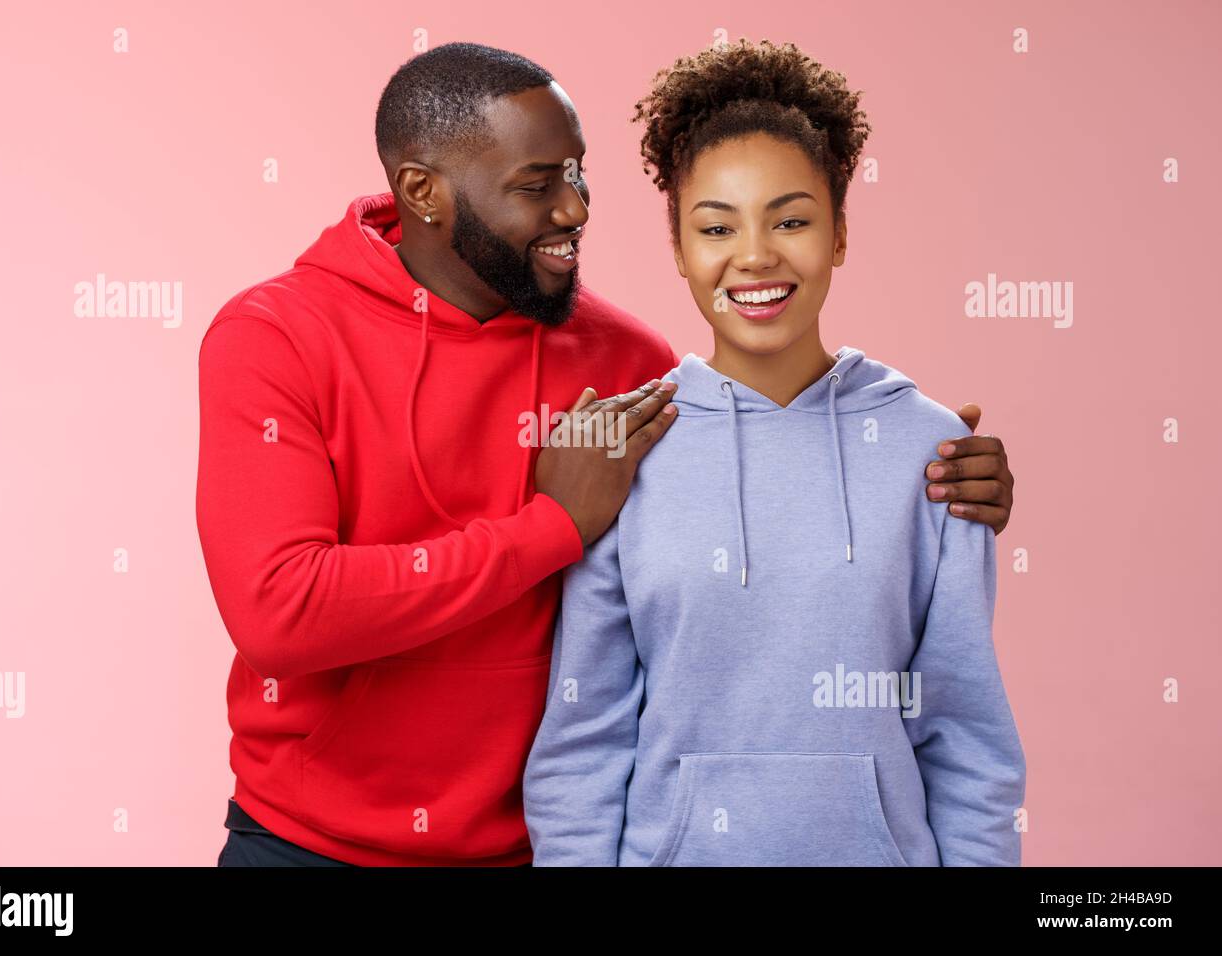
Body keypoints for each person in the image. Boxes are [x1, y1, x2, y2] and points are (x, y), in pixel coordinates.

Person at [197, 42, 1017, 867]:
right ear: (423, 193)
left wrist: (938, 479)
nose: (575, 209)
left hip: (525, 850)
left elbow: (764, 489)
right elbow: (282, 612)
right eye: (537, 184)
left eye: (578, 174)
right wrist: (551, 525)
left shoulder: (627, 369)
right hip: (308, 846)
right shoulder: (276, 337)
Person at [522, 39, 1026, 866]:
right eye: (717, 226)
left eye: (790, 219)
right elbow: (585, 740)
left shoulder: (928, 448)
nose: (754, 255)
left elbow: (967, 736)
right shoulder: (626, 448)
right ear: (680, 251)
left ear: (838, 234)